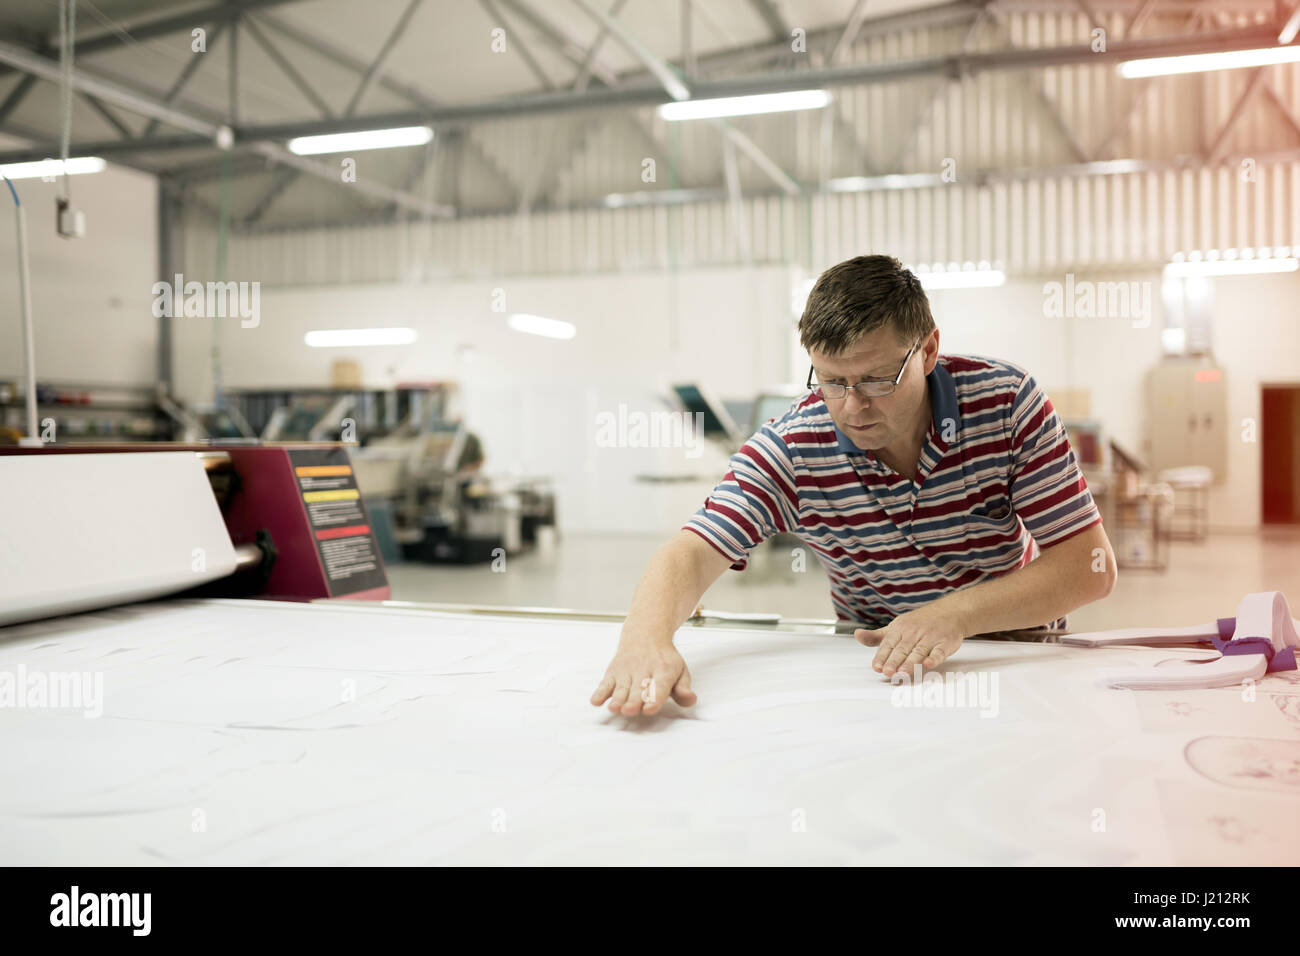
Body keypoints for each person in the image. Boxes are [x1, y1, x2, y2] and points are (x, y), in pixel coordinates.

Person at [591, 254, 1116, 717]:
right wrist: (645, 638)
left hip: (1015, 651)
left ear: (929, 350)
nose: (852, 406)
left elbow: (1089, 567)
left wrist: (955, 615)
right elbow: (691, 552)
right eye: (832, 381)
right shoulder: (794, 449)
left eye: (876, 380)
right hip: (882, 668)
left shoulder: (1005, 405)